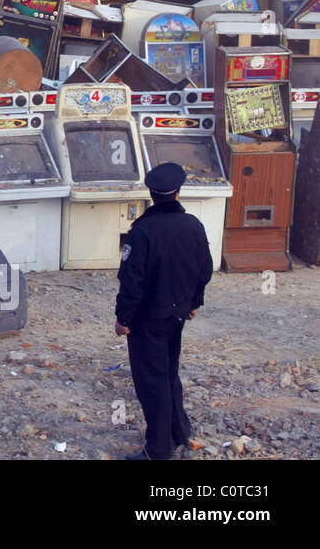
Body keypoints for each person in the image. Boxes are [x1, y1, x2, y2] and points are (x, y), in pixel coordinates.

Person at [114, 162, 215, 460]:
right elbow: (204, 269)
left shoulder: (142, 231)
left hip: (148, 319)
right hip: (177, 315)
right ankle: (179, 431)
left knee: (152, 382)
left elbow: (132, 280)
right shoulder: (193, 225)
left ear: (151, 193)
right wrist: (193, 303)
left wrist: (123, 319)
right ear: (179, 192)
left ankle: (157, 449)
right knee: (169, 372)